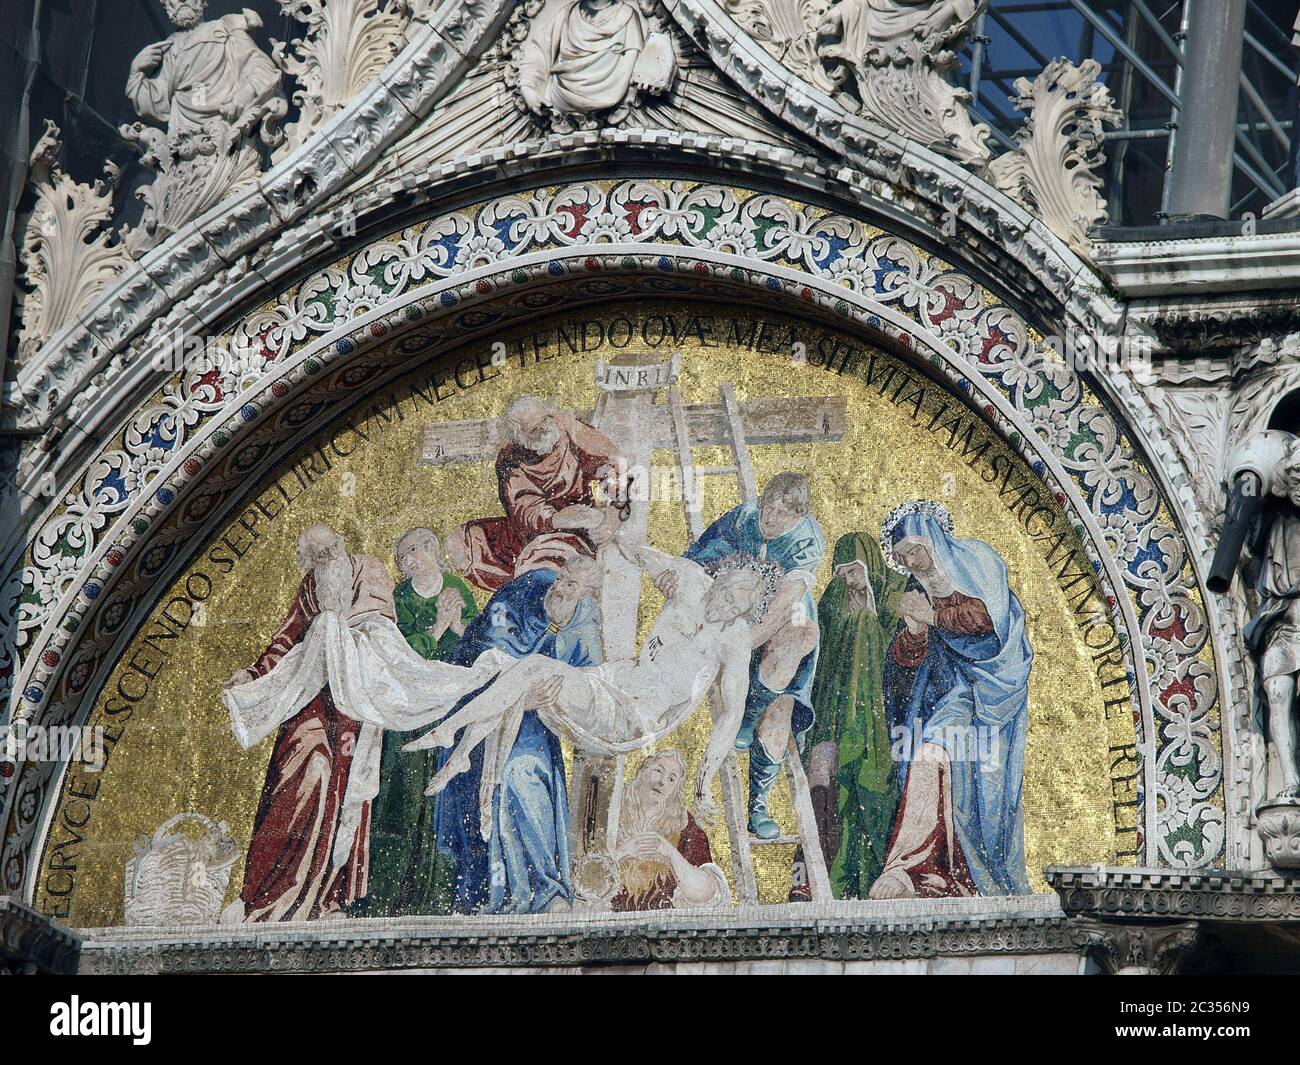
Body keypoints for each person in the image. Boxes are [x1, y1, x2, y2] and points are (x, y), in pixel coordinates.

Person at [405, 543, 776, 830]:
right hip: (613, 678)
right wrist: (658, 573)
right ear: (721, 580)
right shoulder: (692, 580)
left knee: (531, 668)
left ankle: (451, 735)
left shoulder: (735, 641)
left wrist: (705, 781)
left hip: (633, 715)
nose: (724, 607)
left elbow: (731, 715)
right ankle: (464, 756)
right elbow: (627, 549)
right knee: (520, 673)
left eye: (735, 608)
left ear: (742, 615)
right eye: (725, 595)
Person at [222, 525, 396, 921]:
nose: (328, 558)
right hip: (310, 697)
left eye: (332, 548)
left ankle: (328, 898)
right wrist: (252, 675)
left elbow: (379, 619)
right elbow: (286, 642)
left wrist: (334, 630)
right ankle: (272, 892)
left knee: (347, 789)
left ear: (342, 545)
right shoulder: (307, 590)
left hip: (355, 700)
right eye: (318, 555)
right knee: (304, 767)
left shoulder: (366, 569)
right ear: (308, 561)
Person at [868, 500, 1033, 899]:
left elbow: (990, 620)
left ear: (934, 539)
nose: (913, 562)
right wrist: (913, 634)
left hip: (998, 694)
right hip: (953, 694)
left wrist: (933, 618)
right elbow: (906, 665)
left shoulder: (978, 560)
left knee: (988, 791)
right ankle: (909, 867)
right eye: (904, 557)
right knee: (927, 754)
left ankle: (980, 876)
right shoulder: (915, 589)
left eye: (915, 550)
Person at [436, 556, 604, 914]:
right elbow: (488, 647)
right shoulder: (530, 586)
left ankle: (544, 890)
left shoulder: (585, 623)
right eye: (562, 577)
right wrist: (517, 697)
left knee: (520, 775)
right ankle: (479, 895)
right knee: (470, 790)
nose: (560, 587)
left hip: (534, 722)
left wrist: (553, 702)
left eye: (572, 586)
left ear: (586, 594)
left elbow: (587, 682)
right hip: (479, 701)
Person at [676, 471, 825, 839]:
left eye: (783, 514)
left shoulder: (806, 541)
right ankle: (748, 710)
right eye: (768, 509)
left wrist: (746, 643)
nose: (771, 519)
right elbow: (701, 554)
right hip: (736, 609)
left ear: (798, 518)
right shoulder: (743, 517)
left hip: (778, 622)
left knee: (782, 700)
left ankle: (757, 799)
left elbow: (784, 604)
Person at [360, 528, 478, 917]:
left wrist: (457, 624)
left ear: (433, 550)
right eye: (403, 554)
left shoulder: (457, 588)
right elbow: (399, 652)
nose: (410, 559)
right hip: (408, 711)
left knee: (446, 804)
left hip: (450, 707)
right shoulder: (399, 598)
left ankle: (439, 897)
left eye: (415, 550)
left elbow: (477, 646)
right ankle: (386, 897)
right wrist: (439, 628)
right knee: (402, 799)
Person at [804, 532, 909, 899]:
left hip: (879, 720)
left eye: (856, 571)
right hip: (833, 711)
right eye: (844, 573)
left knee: (869, 787)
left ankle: (870, 879)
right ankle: (816, 879)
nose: (851, 581)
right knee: (826, 784)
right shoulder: (832, 606)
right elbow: (818, 653)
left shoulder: (893, 596)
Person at [450, 396, 625, 592]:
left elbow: (610, 463)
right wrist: (557, 519)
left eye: (545, 419)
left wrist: (616, 509)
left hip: (583, 522)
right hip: (542, 530)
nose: (544, 428)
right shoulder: (511, 460)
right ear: (520, 436)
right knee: (463, 543)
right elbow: (525, 507)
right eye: (534, 429)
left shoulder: (569, 428)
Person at [611, 751, 729, 910]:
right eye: (658, 771)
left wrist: (670, 853)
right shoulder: (610, 812)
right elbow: (584, 879)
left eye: (671, 779)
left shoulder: (686, 827)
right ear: (645, 771)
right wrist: (623, 851)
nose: (662, 782)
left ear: (676, 788)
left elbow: (706, 894)